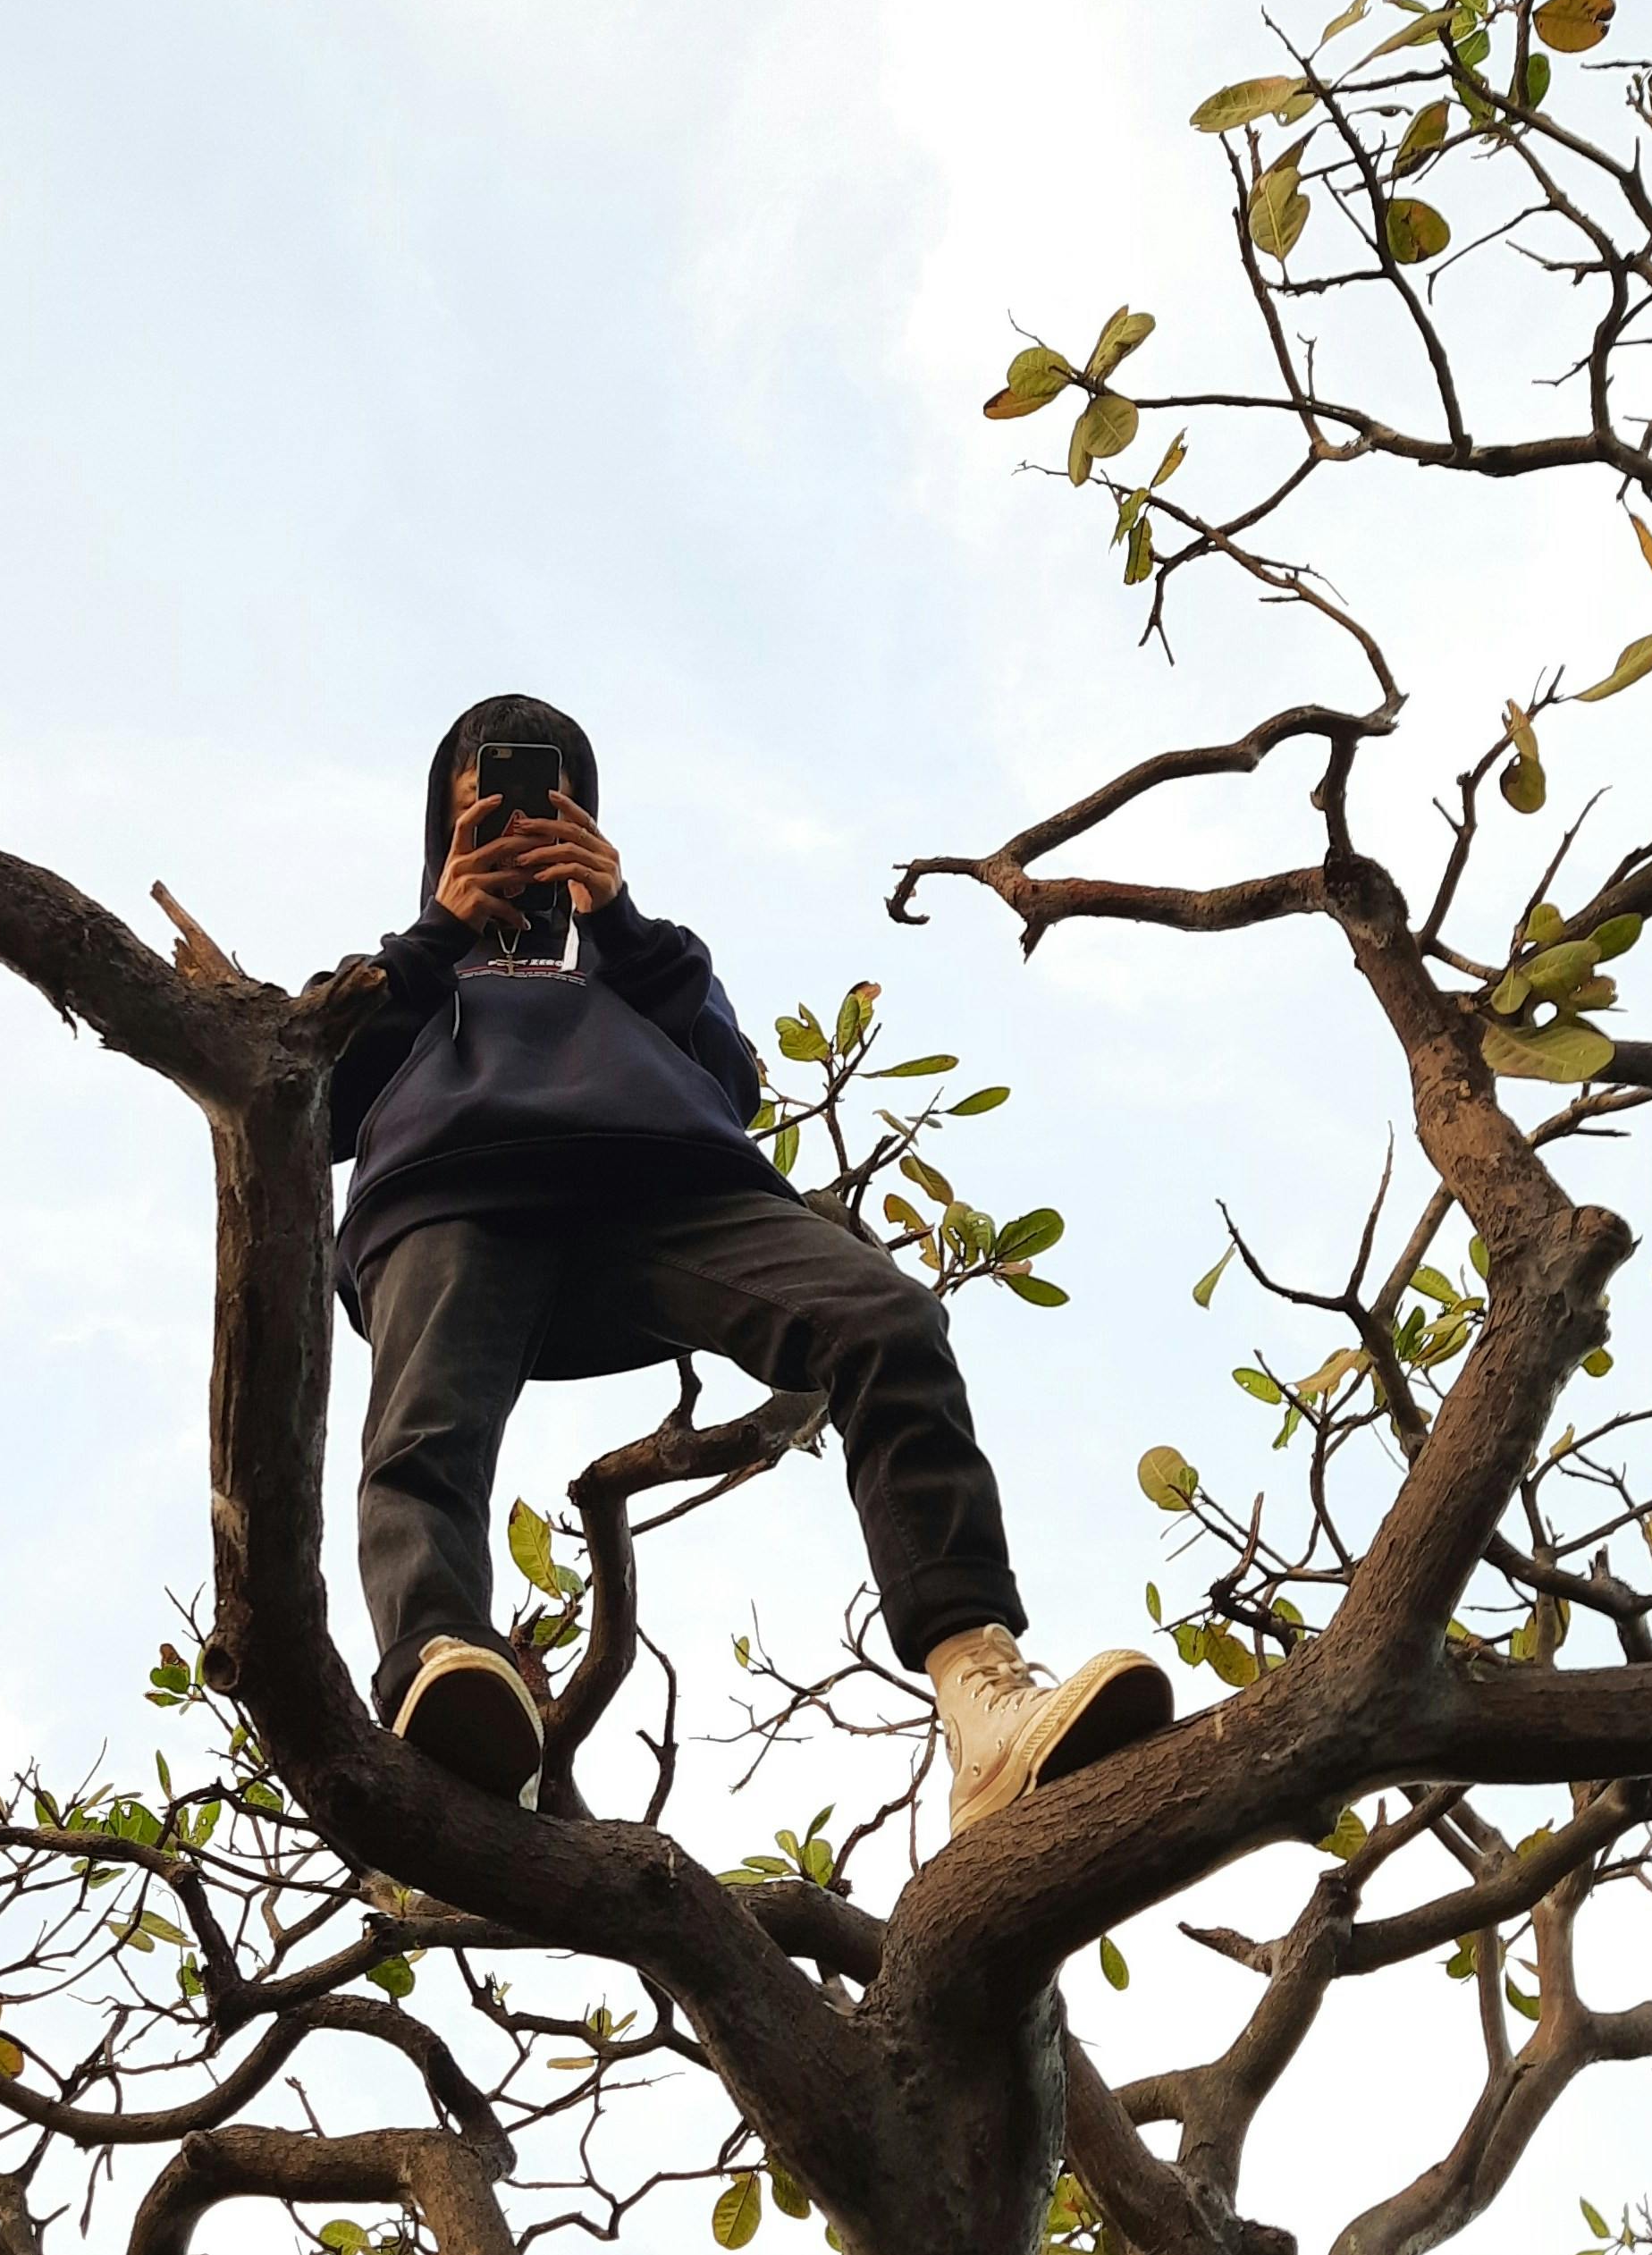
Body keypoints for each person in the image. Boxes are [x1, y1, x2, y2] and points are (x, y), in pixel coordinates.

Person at [329, 692, 1171, 1830]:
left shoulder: (644, 956)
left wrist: (615, 918)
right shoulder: (403, 971)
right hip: (454, 1190)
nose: (514, 810)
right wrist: (434, 940)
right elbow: (318, 1091)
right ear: (444, 821)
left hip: (663, 1187)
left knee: (887, 1319)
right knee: (426, 1431)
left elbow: (730, 1077)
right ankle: (440, 1667)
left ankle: (982, 1700)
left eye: (543, 787)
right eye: (480, 792)